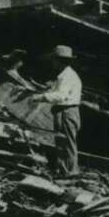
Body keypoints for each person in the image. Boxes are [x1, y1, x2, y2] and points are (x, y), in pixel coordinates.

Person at [32, 45, 83, 178]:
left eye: (54, 60)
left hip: (67, 111)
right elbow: (58, 92)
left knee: (67, 143)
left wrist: (41, 97)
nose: (52, 63)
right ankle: (64, 172)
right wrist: (48, 89)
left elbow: (61, 96)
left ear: (59, 60)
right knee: (62, 143)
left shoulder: (67, 76)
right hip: (64, 111)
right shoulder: (64, 75)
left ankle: (70, 173)